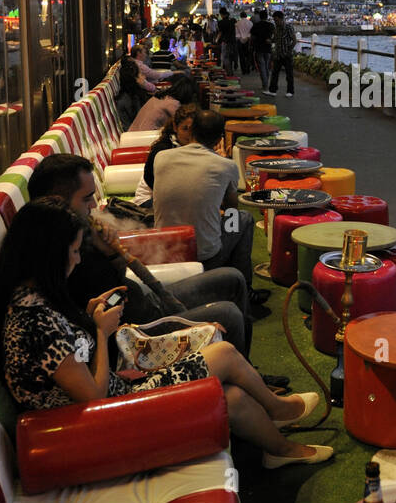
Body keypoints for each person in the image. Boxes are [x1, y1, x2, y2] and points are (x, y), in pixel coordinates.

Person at [0, 199, 328, 468]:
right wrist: (100, 333)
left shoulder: (26, 301)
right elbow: (93, 398)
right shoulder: (36, 322)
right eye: (72, 251)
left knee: (232, 397)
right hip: (112, 416)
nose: (77, 259)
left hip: (117, 397)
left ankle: (278, 449)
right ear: (48, 256)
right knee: (222, 354)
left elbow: (66, 361)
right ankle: (279, 410)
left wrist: (86, 318)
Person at [28, 152, 265, 357]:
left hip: (145, 299)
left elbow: (115, 281)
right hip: (137, 327)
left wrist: (112, 254)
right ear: (58, 201)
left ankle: (246, 370)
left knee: (233, 278)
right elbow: (99, 310)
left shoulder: (81, 231)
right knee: (230, 315)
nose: (93, 206)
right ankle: (244, 383)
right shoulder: (61, 253)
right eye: (87, 198)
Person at [152, 109, 262, 293]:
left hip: (165, 252)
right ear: (220, 138)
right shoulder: (226, 166)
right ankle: (244, 288)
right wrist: (227, 228)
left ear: (192, 130)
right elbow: (231, 209)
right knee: (243, 219)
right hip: (205, 258)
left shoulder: (161, 157)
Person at [268, 11, 297, 97]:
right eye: (274, 20)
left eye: (276, 20)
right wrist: (270, 41)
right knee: (274, 73)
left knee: (289, 74)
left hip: (287, 54)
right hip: (278, 54)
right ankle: (272, 90)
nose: (275, 22)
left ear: (281, 19)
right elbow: (275, 39)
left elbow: (294, 40)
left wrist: (289, 50)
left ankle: (290, 91)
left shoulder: (289, 27)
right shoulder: (276, 28)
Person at [251, 9, 274, 91]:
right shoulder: (271, 25)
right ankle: (266, 82)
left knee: (262, 67)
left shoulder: (256, 25)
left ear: (260, 17)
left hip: (259, 48)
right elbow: (274, 35)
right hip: (268, 48)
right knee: (267, 66)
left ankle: (265, 84)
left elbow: (252, 37)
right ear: (267, 16)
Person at [217, 8, 238, 76]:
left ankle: (229, 73)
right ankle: (230, 71)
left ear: (221, 14)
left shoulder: (221, 22)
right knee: (230, 57)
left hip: (226, 42)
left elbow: (220, 33)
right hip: (233, 41)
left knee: (225, 58)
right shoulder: (232, 22)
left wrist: (216, 40)